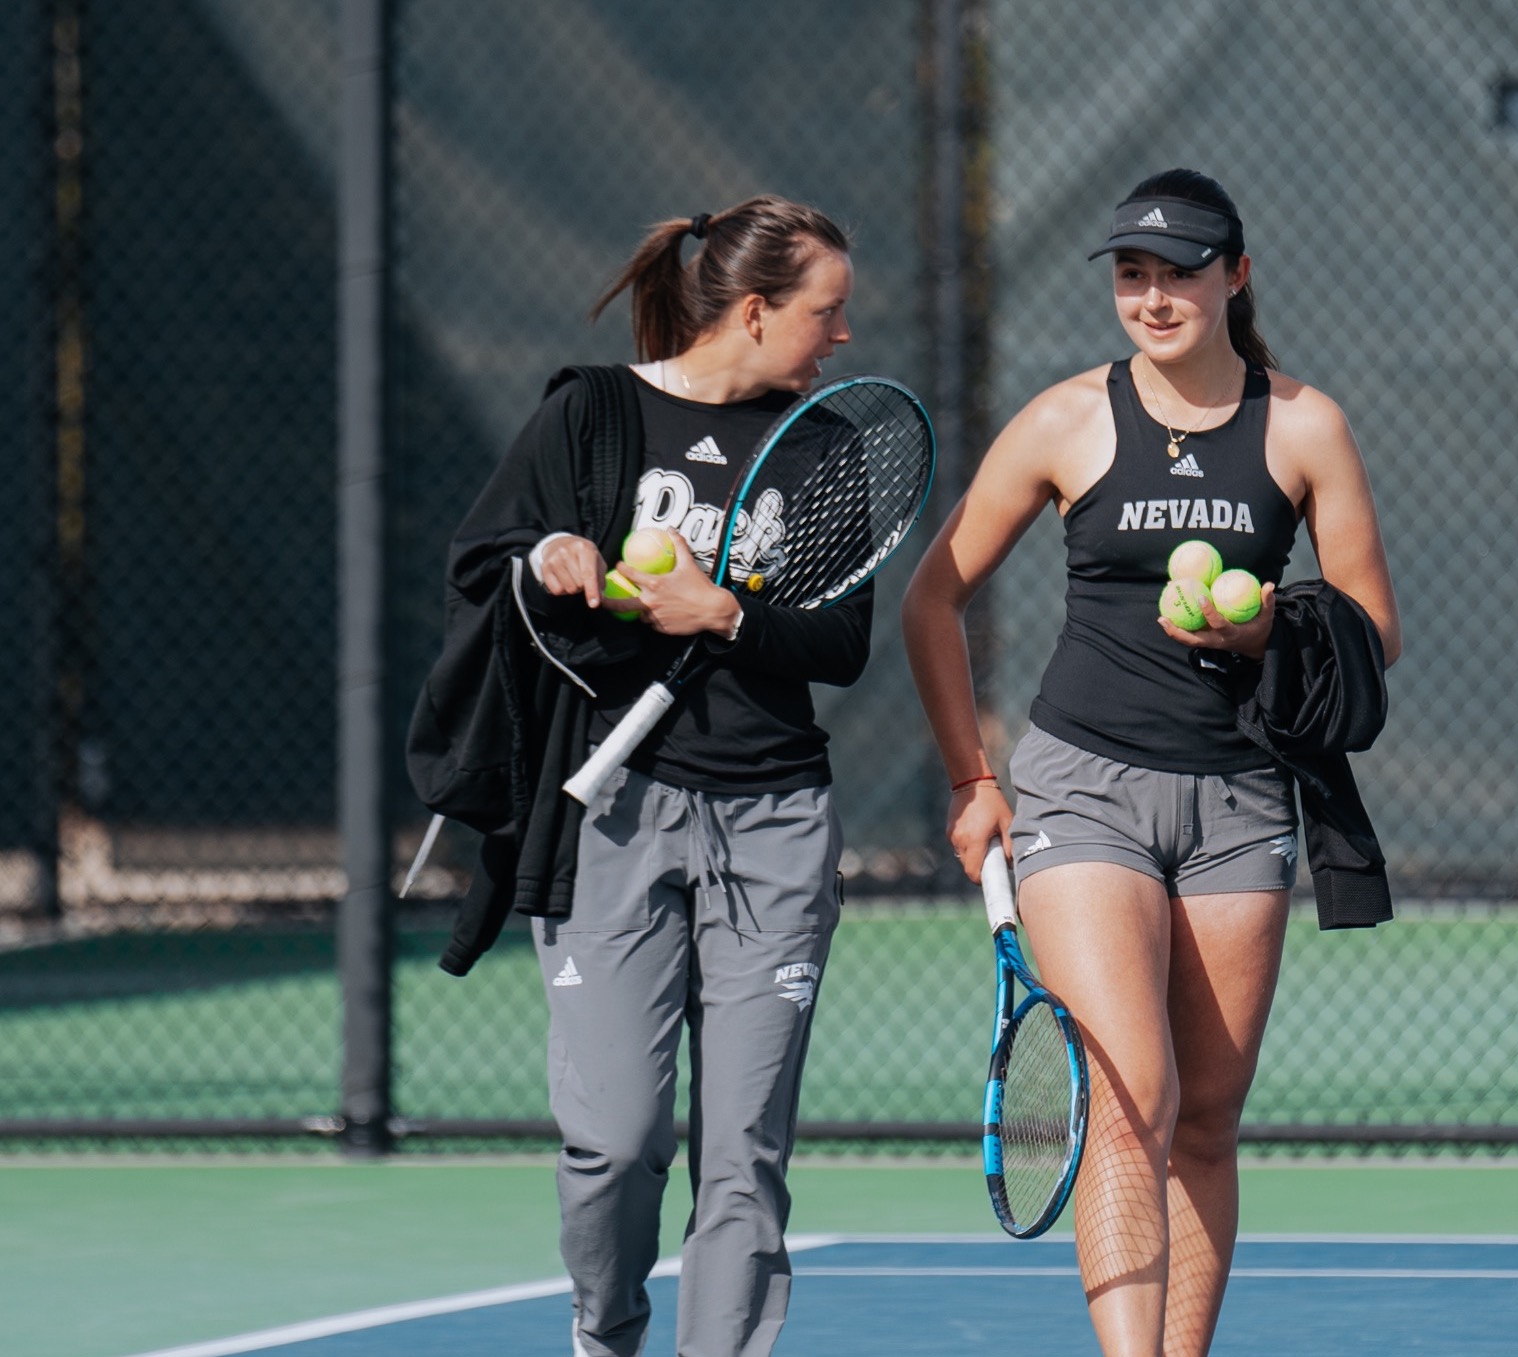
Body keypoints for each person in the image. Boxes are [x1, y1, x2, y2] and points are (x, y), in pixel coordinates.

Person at [901, 168, 1401, 1356]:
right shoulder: (1064, 420)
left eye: (1179, 272)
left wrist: (1264, 629)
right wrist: (973, 777)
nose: (1153, 296)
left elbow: (1373, 630)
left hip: (1238, 797)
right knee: (1130, 1099)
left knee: (1207, 1122)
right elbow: (930, 599)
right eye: (1132, 275)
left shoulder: (1304, 426)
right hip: (1081, 788)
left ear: (1236, 275)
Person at [441, 195, 864, 1357]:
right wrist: (548, 553)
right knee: (617, 1141)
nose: (841, 336)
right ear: (753, 311)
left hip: (775, 818)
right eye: (825, 313)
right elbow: (483, 562)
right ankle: (605, 1329)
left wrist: (720, 611)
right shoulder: (589, 412)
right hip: (610, 814)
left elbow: (841, 643)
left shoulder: (827, 445)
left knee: (744, 1154)